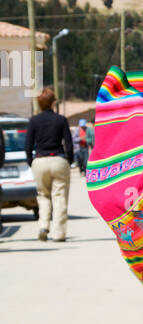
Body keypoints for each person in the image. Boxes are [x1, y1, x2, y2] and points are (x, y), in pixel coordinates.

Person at [25, 87, 73, 242]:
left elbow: (28, 145)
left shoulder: (33, 121)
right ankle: (58, 233)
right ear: (53, 103)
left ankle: (43, 226)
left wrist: (31, 161)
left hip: (39, 161)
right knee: (59, 197)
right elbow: (69, 144)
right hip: (58, 160)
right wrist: (69, 160)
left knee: (43, 196)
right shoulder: (61, 120)